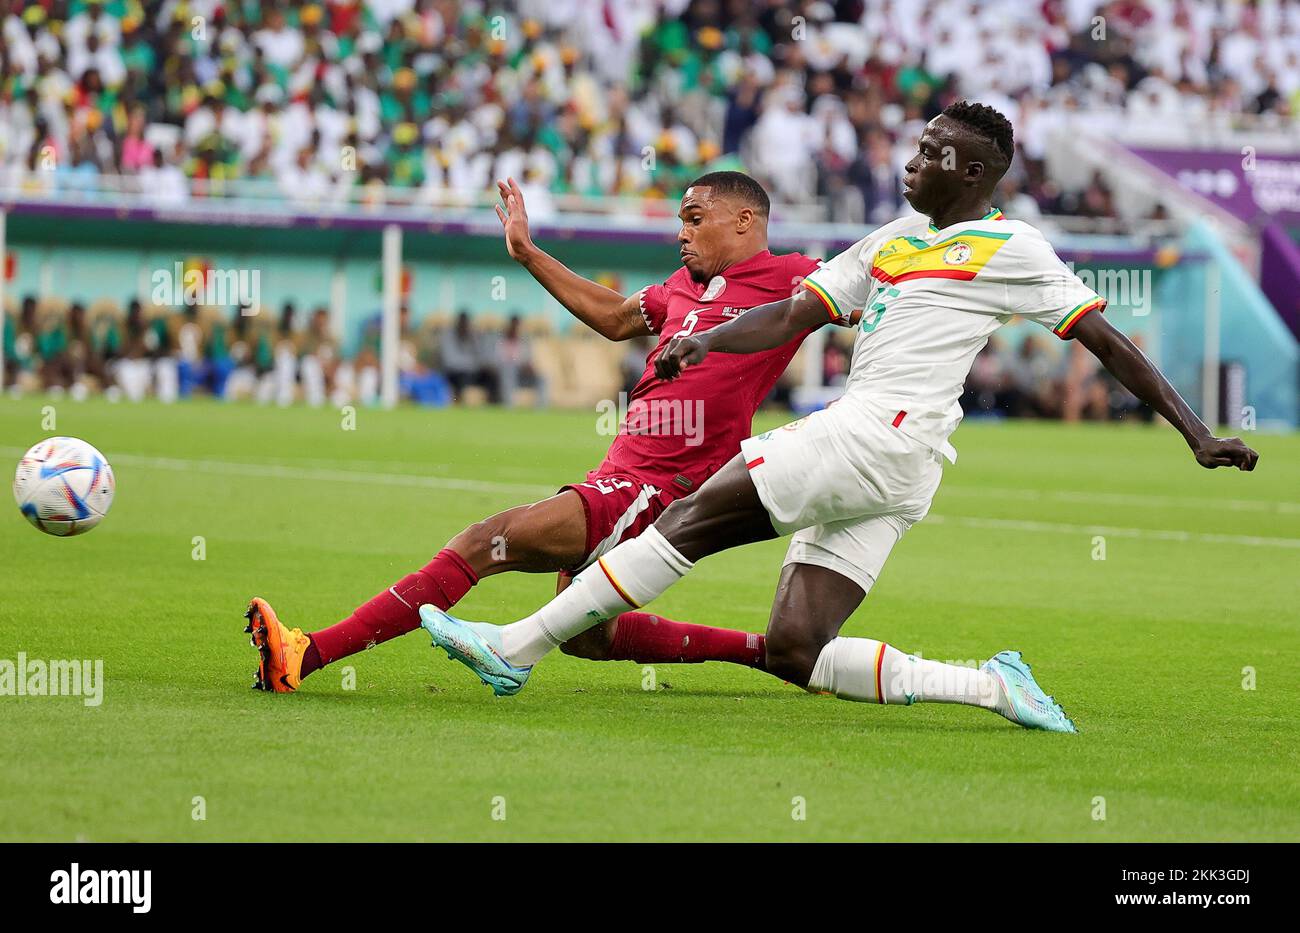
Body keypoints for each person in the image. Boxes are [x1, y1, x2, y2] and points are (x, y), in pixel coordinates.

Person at [421, 102, 1259, 732]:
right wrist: (702, 345)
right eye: (918, 143)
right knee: (794, 649)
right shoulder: (893, 238)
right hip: (898, 469)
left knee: (687, 518)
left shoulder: (1016, 249)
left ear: (973, 174)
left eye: (934, 152)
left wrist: (1196, 433)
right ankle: (995, 687)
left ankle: (516, 647)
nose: (914, 159)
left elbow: (1108, 342)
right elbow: (793, 315)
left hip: (876, 433)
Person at [245, 171, 823, 692]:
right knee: (586, 635)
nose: (682, 234)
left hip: (655, 490)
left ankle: (306, 654)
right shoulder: (681, 287)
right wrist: (527, 253)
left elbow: (876, 290)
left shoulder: (791, 278)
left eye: (695, 220)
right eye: (680, 222)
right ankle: (766, 655)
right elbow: (615, 317)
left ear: (745, 221)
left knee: (483, 542)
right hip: (619, 475)